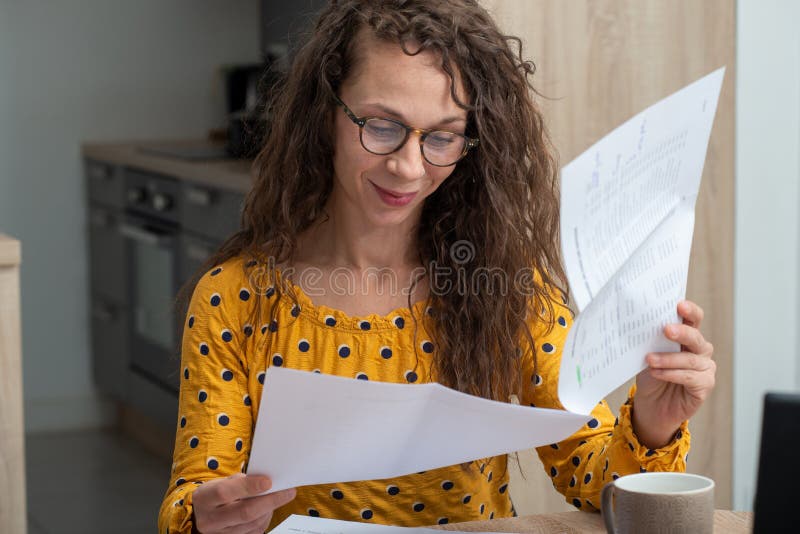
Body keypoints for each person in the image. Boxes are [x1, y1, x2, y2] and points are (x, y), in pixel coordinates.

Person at [158, 1, 717, 532]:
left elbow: (594, 482)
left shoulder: (506, 288)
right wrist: (213, 518)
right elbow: (193, 495)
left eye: (443, 137)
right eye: (380, 125)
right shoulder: (236, 296)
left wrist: (652, 421)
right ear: (325, 113)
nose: (407, 167)